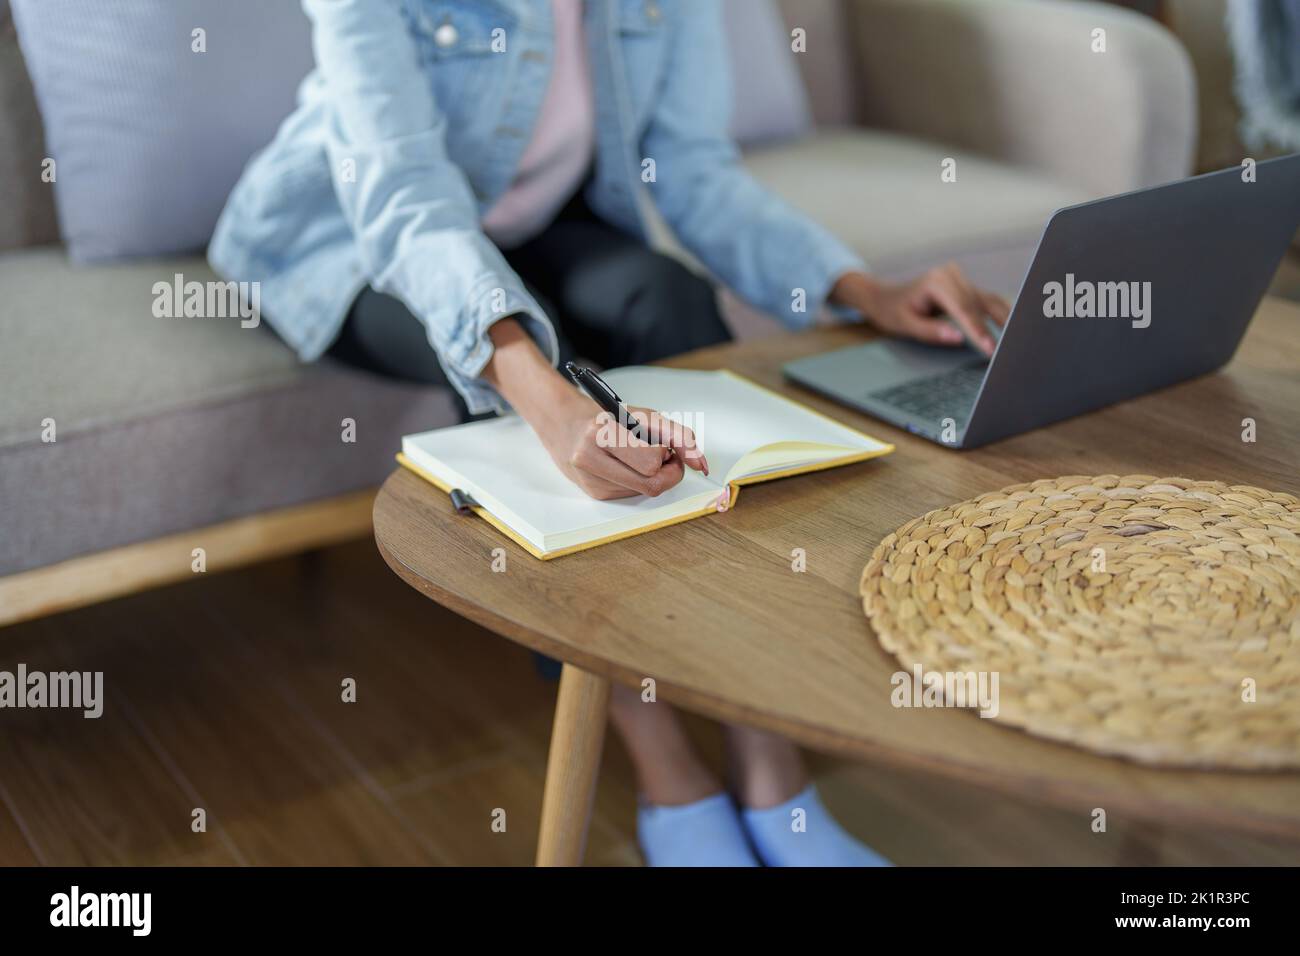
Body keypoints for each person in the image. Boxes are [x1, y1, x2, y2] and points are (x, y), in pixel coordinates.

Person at [210, 0, 1008, 866]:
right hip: (343, 241)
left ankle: (768, 769)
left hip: (535, 228)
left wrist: (865, 289)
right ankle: (670, 779)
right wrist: (549, 403)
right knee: (516, 356)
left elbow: (697, 171)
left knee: (668, 301)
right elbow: (409, 205)